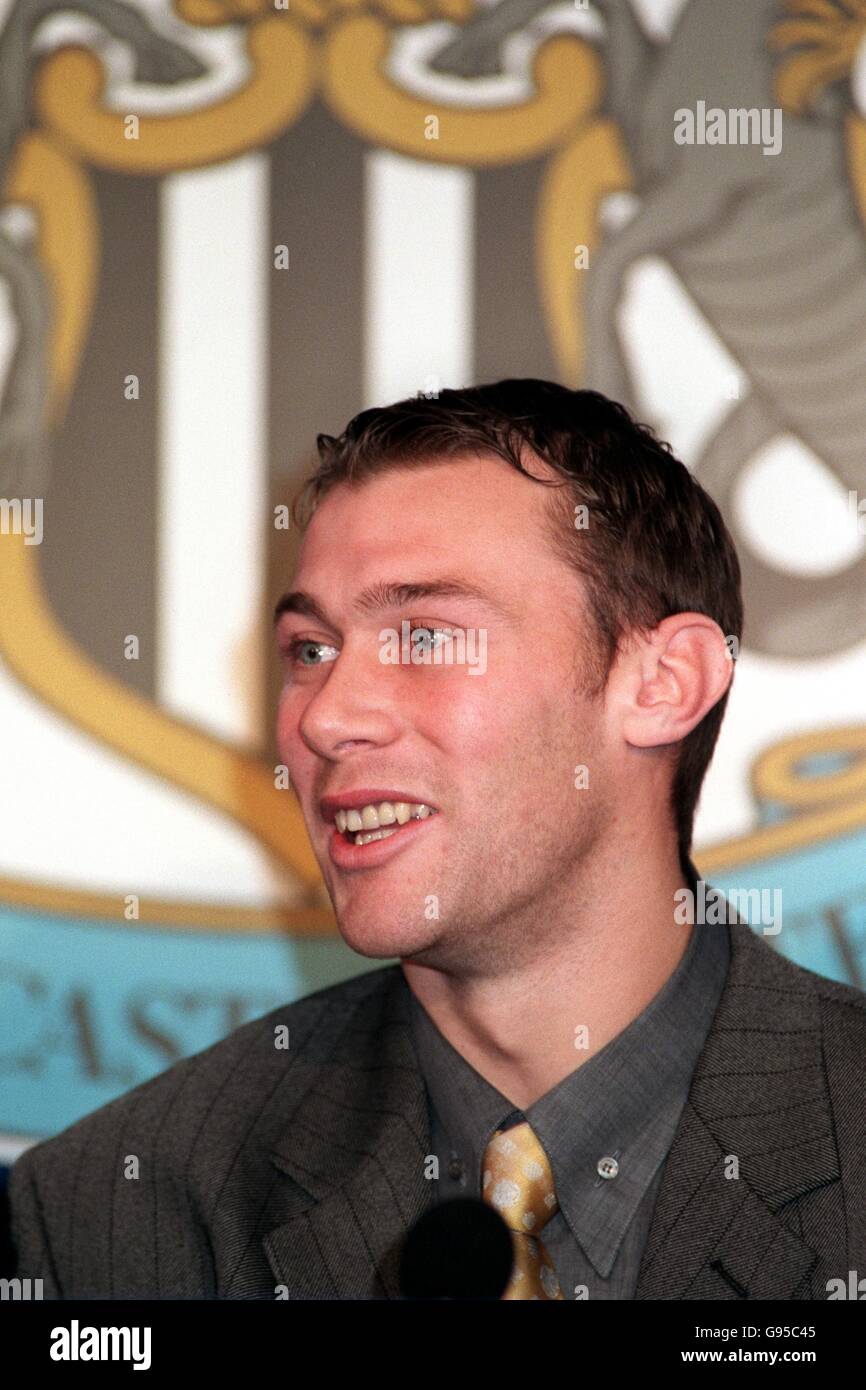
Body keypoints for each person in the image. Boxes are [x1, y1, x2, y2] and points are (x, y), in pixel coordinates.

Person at [9, 381, 866, 1299]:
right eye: (310, 650)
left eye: (424, 635)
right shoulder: (106, 1218)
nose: (327, 718)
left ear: (662, 684)